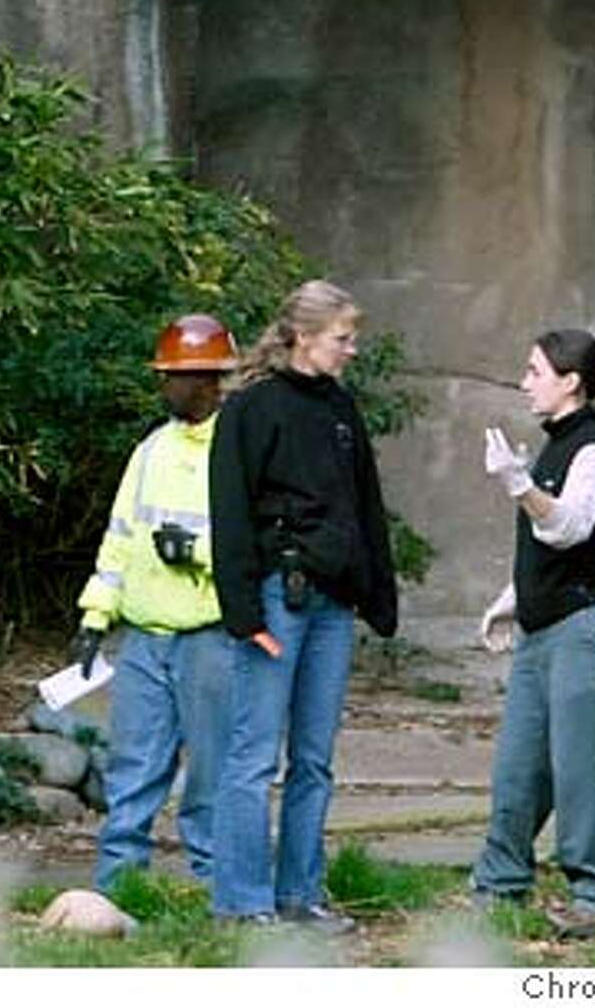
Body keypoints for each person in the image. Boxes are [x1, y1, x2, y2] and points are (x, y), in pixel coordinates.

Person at [207, 280, 398, 929]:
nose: (351, 350)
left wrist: (379, 597)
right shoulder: (251, 410)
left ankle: (299, 894)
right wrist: (245, 616)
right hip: (276, 597)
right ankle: (240, 899)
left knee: (314, 758)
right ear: (303, 337)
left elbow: (364, 504)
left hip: (332, 603)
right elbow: (229, 514)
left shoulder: (341, 408)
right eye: (343, 338)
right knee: (254, 755)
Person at [471, 328, 595, 938]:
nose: (524, 382)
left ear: (570, 382)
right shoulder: (555, 447)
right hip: (545, 626)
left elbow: (570, 529)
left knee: (583, 766)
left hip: (590, 625)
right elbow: (558, 553)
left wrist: (518, 486)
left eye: (534, 371)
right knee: (519, 764)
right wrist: (512, 600)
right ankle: (499, 887)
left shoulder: (594, 451)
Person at [69, 313, 240, 893]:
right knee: (133, 770)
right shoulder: (151, 451)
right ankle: (119, 890)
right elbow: (120, 536)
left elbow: (258, 545)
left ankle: (220, 894)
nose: (163, 386)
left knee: (212, 774)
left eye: (173, 377)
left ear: (206, 380)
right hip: (146, 636)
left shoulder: (239, 447)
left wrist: (198, 551)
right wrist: (96, 615)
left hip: (211, 636)